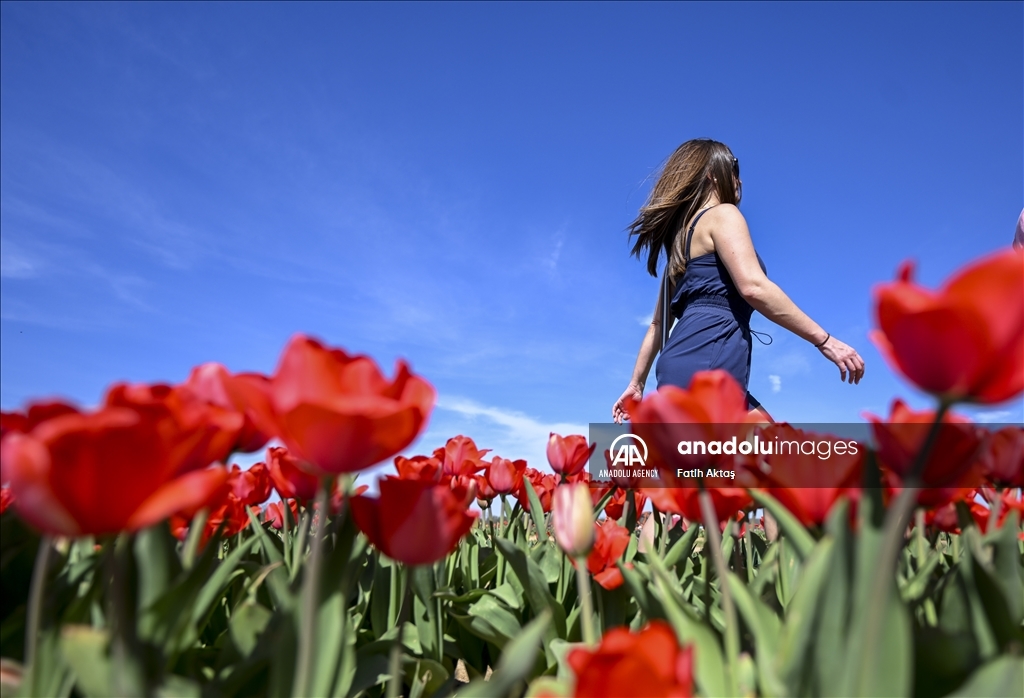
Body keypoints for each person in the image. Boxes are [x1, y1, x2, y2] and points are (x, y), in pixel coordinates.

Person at [612, 139, 864, 424]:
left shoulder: (680, 244)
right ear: (712, 173)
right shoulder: (723, 215)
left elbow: (658, 325)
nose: (738, 179)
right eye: (734, 168)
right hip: (709, 357)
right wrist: (825, 340)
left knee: (768, 453)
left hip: (682, 362)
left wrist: (637, 384)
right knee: (769, 459)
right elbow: (753, 287)